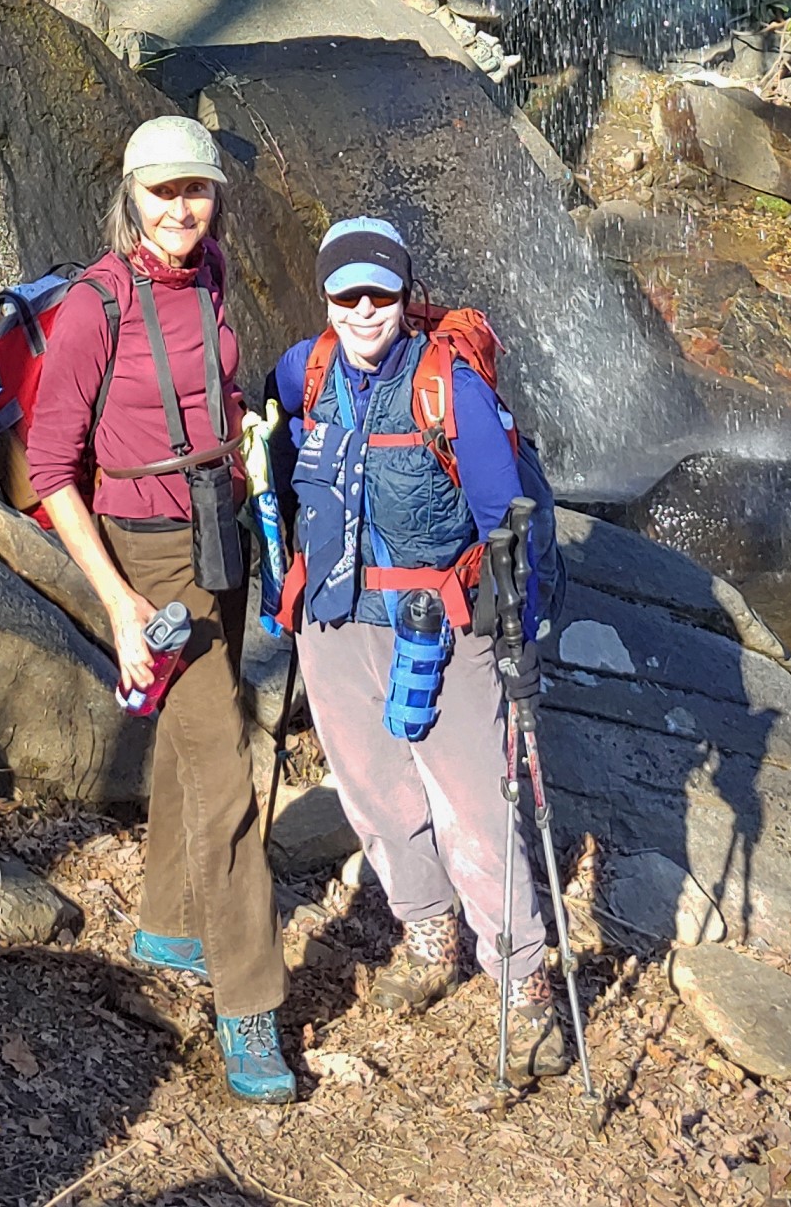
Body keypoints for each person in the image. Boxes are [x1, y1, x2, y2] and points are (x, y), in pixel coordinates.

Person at [26, 112, 293, 1104]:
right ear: (130, 197)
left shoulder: (211, 272)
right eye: (163, 191)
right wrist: (121, 604)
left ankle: (172, 923)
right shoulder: (95, 306)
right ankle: (251, 1007)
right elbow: (51, 470)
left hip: (221, 525)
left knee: (200, 727)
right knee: (225, 767)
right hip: (146, 549)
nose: (181, 207)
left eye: (196, 189)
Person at [269, 215, 569, 1076]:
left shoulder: (450, 388)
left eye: (381, 293)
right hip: (333, 620)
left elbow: (507, 521)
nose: (364, 310)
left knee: (476, 809)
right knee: (374, 794)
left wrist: (520, 632)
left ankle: (525, 986)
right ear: (325, 298)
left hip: (441, 625)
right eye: (347, 295)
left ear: (405, 294)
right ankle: (429, 938)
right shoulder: (305, 368)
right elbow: (270, 442)